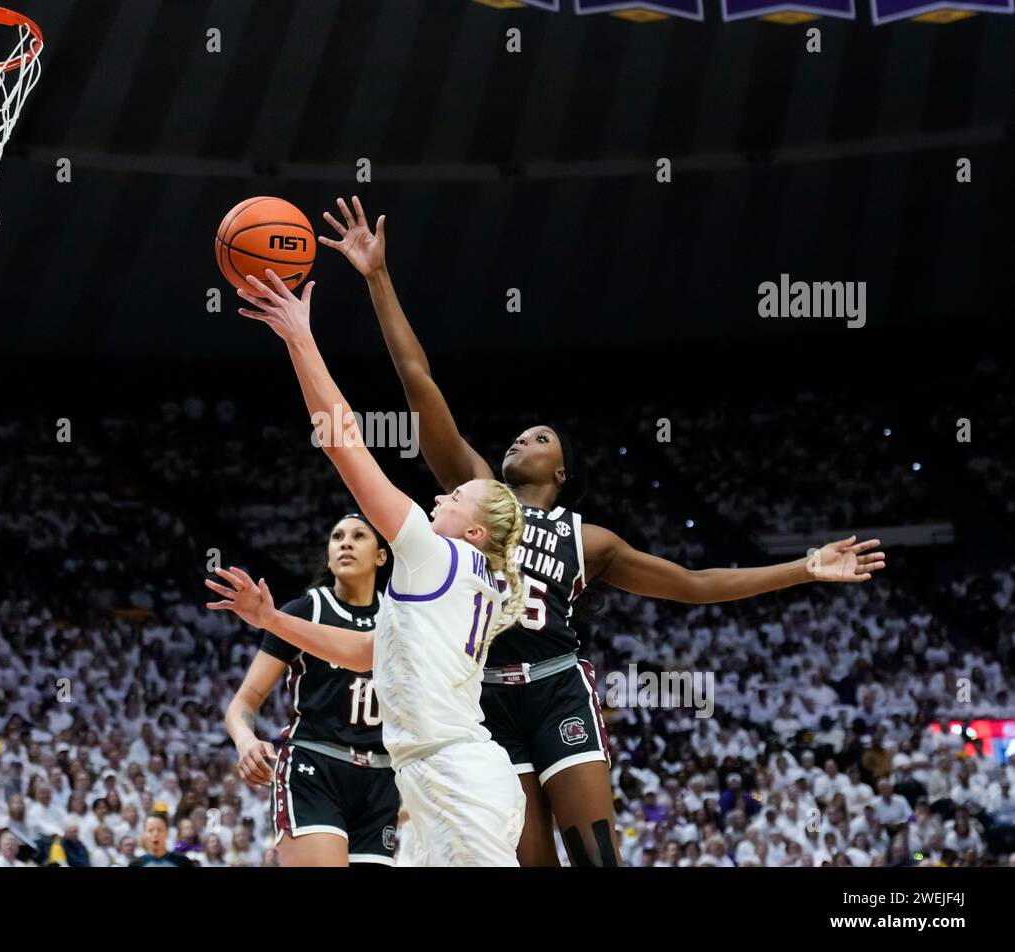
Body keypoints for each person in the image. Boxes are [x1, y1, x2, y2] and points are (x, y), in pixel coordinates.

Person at [318, 196, 888, 866]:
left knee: (595, 856)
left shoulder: (588, 539)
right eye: (521, 432)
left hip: (557, 684)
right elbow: (420, 384)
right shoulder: (475, 491)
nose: (523, 437)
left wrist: (803, 567)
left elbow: (694, 585)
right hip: (481, 698)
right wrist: (378, 278)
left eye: (542, 436)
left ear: (560, 472)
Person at [207, 269, 528, 866]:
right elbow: (365, 654)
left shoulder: (438, 555)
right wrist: (271, 618)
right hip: (452, 778)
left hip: (453, 778)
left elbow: (343, 442)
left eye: (454, 499)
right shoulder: (463, 580)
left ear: (476, 531)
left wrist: (301, 339)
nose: (439, 497)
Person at [224, 514, 400, 866]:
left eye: (358, 536)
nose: (345, 543)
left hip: (382, 779)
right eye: (337, 537)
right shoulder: (305, 610)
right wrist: (246, 741)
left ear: (382, 556)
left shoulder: (400, 615)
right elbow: (244, 701)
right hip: (314, 766)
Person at [129, 814, 196, 867]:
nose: (155, 834)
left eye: (159, 830)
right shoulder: (135, 865)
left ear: (167, 833)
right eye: (150, 830)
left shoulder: (183, 862)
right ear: (144, 834)